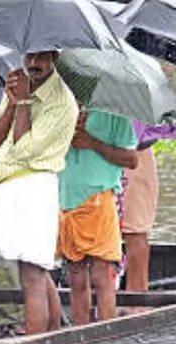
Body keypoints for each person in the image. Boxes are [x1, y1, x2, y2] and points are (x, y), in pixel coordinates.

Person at [0, 51, 79, 334]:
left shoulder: (62, 102)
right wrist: (11, 102)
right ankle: (52, 337)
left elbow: (23, 150)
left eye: (42, 58)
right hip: (8, 185)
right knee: (34, 272)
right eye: (30, 56)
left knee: (33, 275)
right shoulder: (17, 83)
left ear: (54, 58)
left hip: (35, 187)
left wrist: (22, 102)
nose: (34, 64)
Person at [57, 110, 137, 324]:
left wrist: (92, 142)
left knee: (102, 272)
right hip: (65, 196)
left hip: (99, 196)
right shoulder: (60, 108)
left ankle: (105, 332)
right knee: (75, 274)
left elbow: (131, 159)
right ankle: (80, 332)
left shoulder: (113, 112)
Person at [120, 120, 176, 293]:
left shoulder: (137, 97)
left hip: (135, 155)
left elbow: (172, 121)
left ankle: (137, 298)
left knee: (135, 230)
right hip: (104, 158)